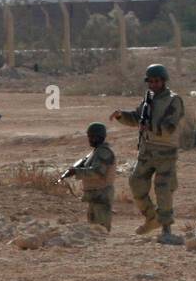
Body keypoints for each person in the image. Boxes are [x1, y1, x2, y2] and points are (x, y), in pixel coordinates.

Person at [111, 63, 185, 245]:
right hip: (147, 151)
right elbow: (137, 118)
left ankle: (167, 229)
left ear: (164, 81)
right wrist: (122, 116)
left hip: (165, 152)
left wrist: (150, 127)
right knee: (136, 183)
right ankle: (152, 219)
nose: (153, 84)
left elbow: (170, 126)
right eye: (150, 81)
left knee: (163, 188)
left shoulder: (174, 100)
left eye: (157, 81)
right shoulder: (148, 100)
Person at [62, 122, 116, 232]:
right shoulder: (96, 152)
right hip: (95, 195)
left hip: (101, 194)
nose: (89, 139)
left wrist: (76, 171)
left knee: (101, 230)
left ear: (98, 137)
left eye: (91, 137)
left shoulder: (103, 152)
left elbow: (97, 172)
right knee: (94, 229)